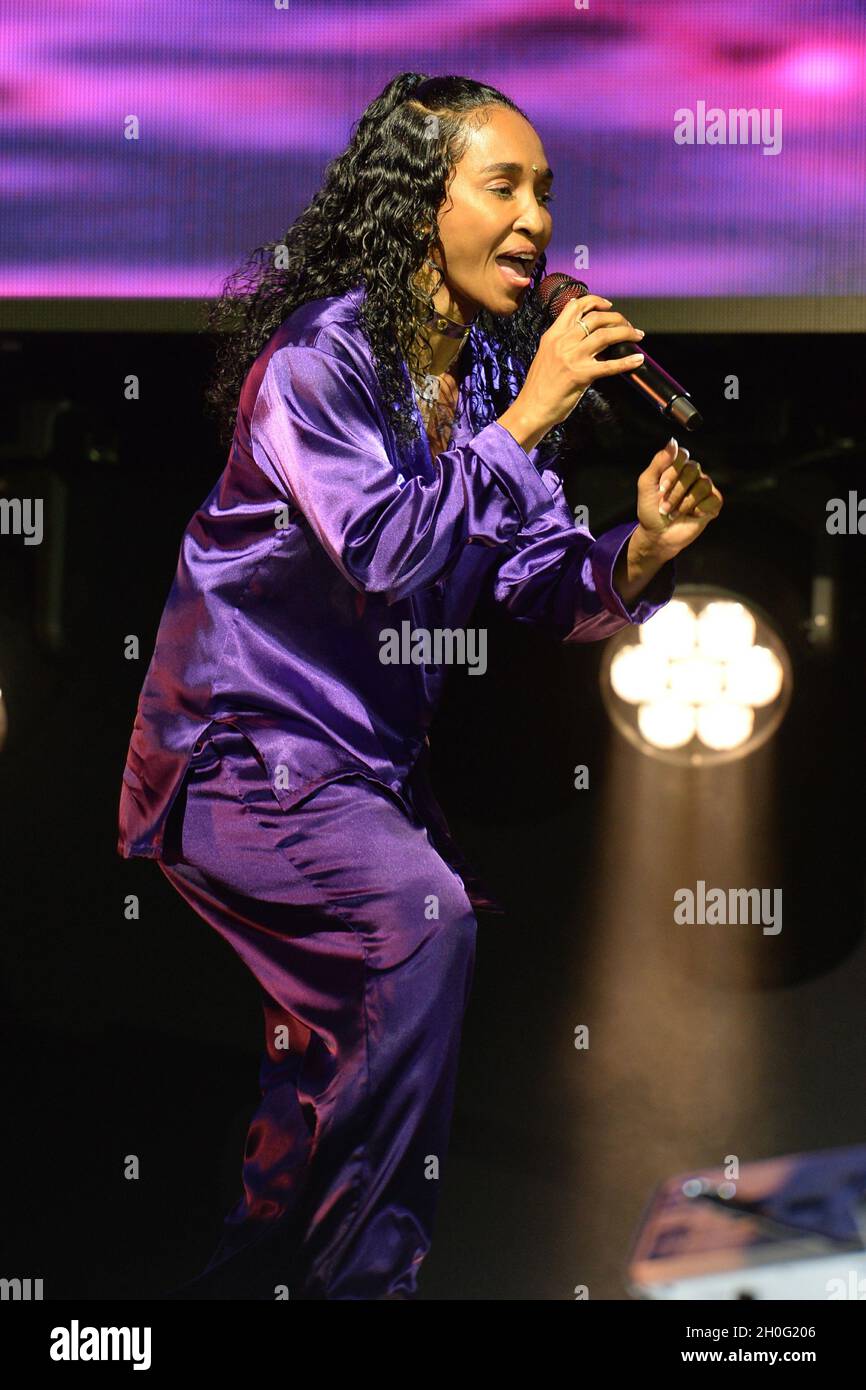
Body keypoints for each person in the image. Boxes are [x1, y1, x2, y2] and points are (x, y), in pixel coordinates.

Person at [117, 72, 722, 1301]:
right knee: (418, 922)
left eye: (545, 192)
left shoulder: (489, 382)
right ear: (417, 206)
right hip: (242, 756)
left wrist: (638, 553)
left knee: (324, 1074)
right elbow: (388, 550)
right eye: (501, 184)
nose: (536, 221)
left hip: (356, 777)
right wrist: (535, 410)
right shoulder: (318, 364)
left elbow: (540, 580)